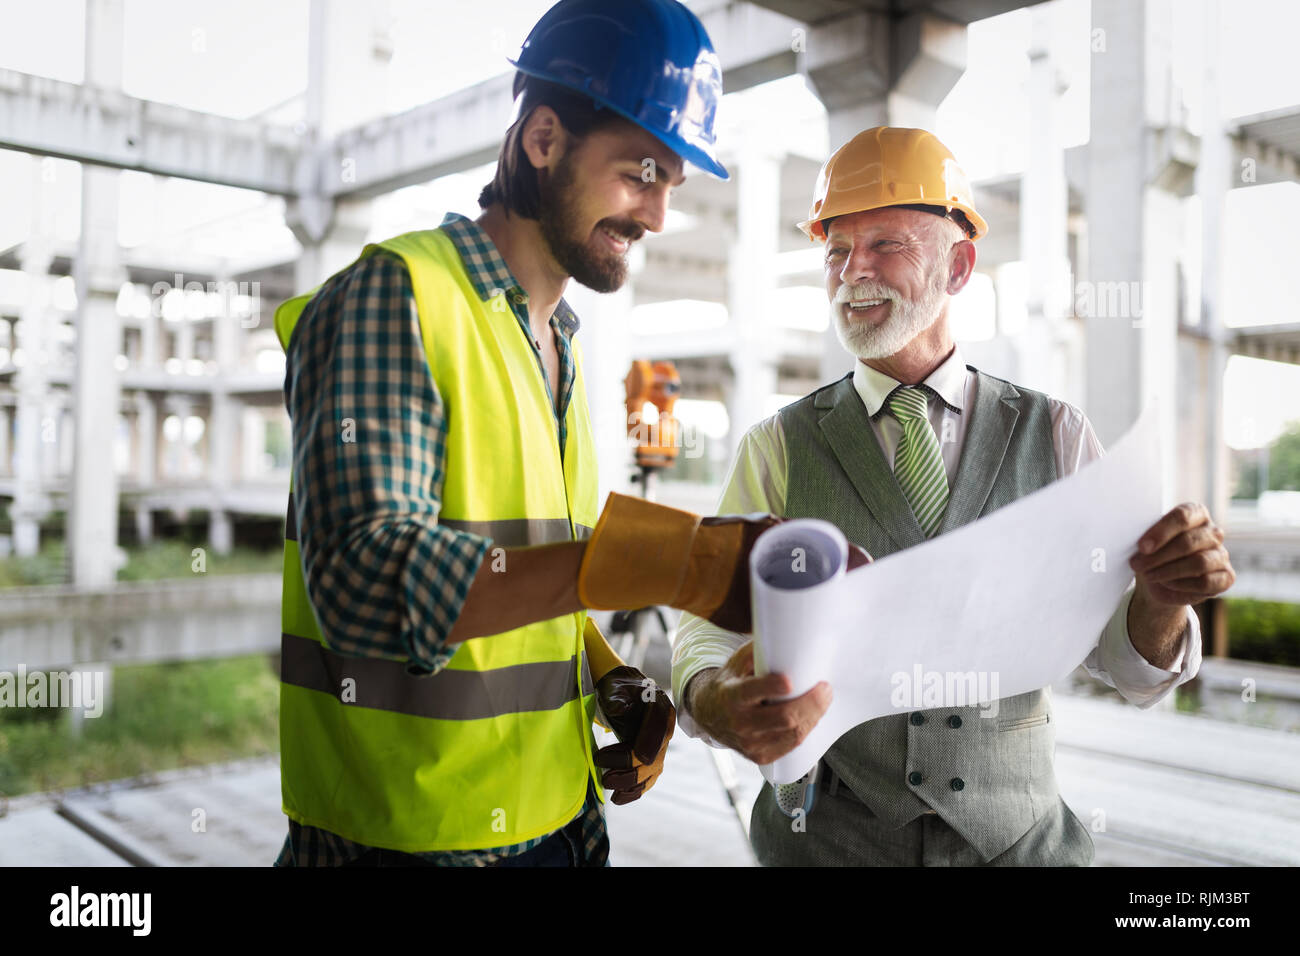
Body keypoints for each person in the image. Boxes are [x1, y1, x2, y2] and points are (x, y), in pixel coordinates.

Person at [271, 0, 778, 867]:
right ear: (544, 139)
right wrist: (682, 561)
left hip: (562, 822)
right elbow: (364, 579)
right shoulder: (398, 297)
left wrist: (601, 673)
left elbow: (524, 567)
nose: (656, 215)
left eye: (671, 186)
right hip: (409, 843)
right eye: (640, 172)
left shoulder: (556, 341)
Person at [671, 126, 1237, 867]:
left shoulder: (1057, 435)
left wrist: (1162, 600)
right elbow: (705, 627)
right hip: (833, 847)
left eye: (885, 246)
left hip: (1020, 847)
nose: (852, 274)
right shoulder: (776, 447)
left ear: (960, 265)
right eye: (837, 251)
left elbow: (1126, 669)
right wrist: (713, 697)